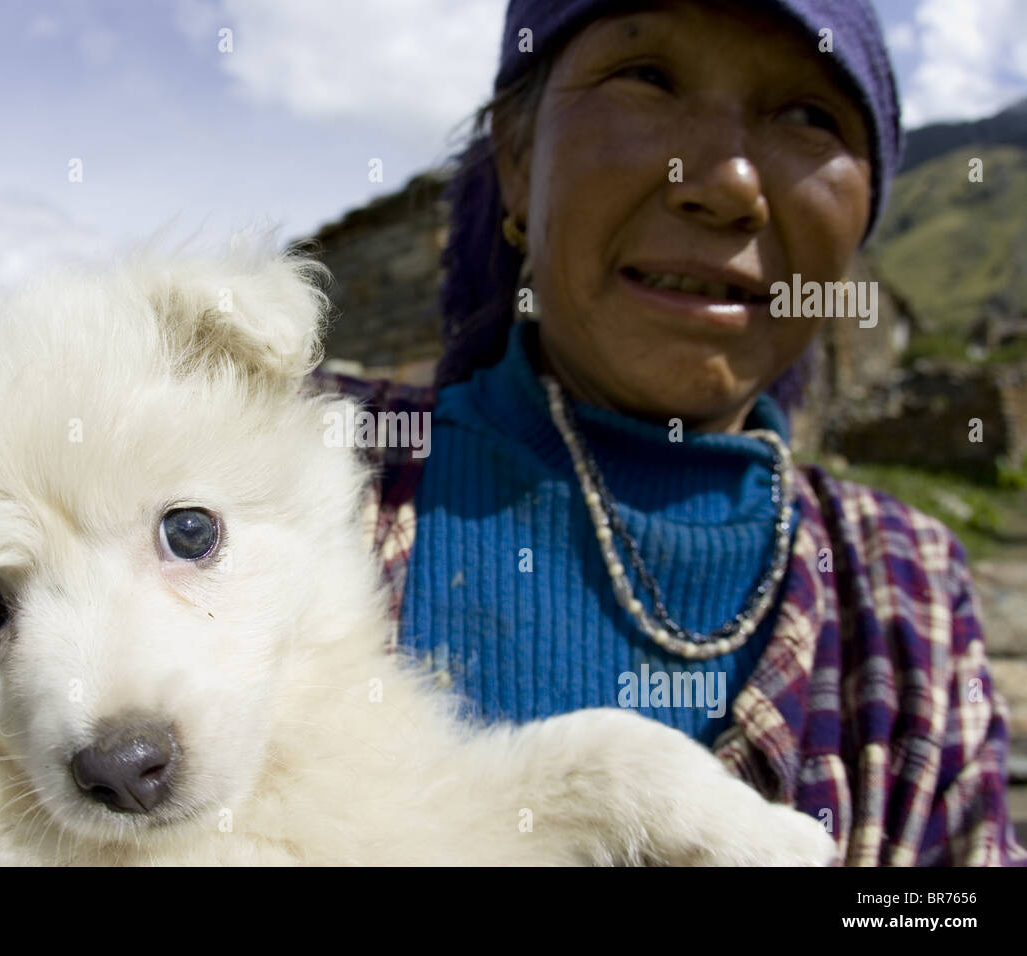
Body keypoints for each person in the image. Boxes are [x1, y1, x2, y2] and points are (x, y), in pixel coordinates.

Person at [316, 0, 1026, 865]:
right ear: (516, 154)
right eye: (646, 77)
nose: (726, 184)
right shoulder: (284, 471)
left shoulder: (906, 589)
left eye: (810, 116)